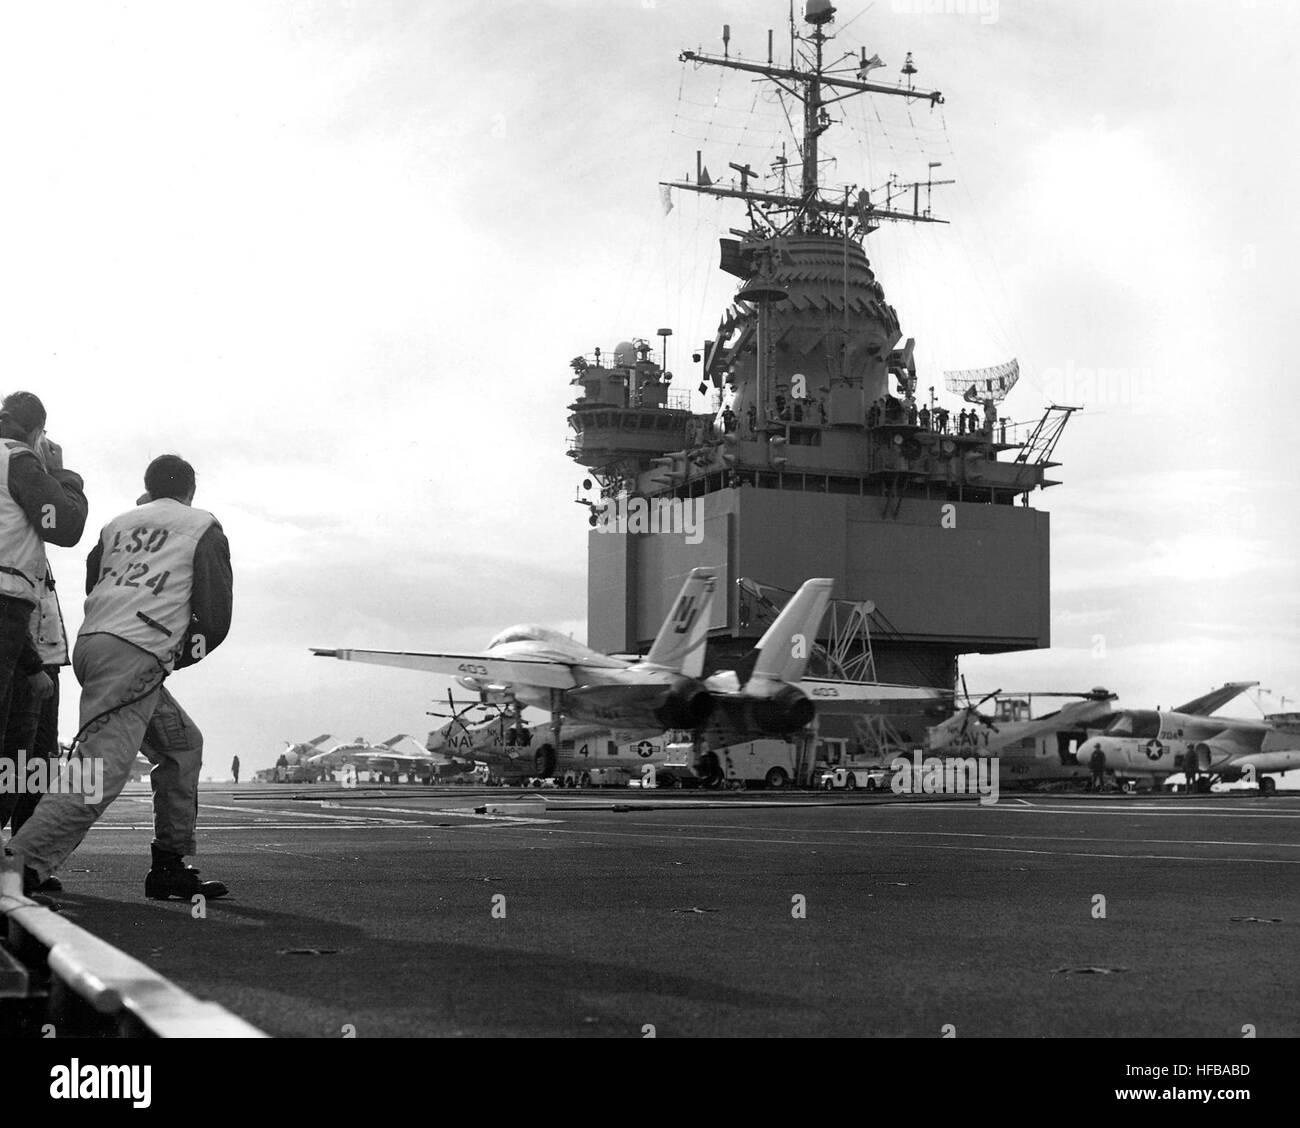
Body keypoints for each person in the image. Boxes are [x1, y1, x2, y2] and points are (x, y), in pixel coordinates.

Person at [8, 454, 233, 901]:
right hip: (137, 650)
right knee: (100, 769)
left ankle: (169, 863)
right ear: (190, 491)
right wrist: (169, 655)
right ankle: (19, 868)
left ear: (149, 488)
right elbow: (214, 614)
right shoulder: (201, 525)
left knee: (182, 745)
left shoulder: (118, 524)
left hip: (97, 642)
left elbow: (95, 582)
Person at [0, 394, 87, 897]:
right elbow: (65, 523)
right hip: (19, 630)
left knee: (28, 753)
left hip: (34, 641)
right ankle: (22, 861)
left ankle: (22, 859)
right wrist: (63, 473)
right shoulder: (19, 458)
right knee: (19, 749)